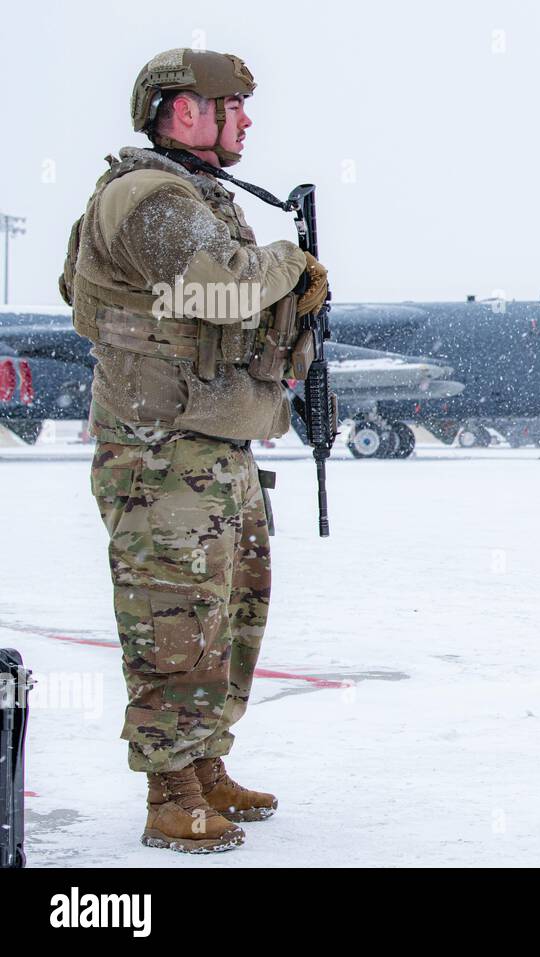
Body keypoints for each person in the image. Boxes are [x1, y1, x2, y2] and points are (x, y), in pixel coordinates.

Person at [59, 48, 328, 853]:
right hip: (161, 453)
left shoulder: (202, 197)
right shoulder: (147, 197)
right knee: (171, 622)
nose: (245, 119)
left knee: (229, 617)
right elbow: (222, 287)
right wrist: (293, 264)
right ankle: (169, 791)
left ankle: (205, 762)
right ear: (183, 110)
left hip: (215, 449)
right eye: (231, 105)